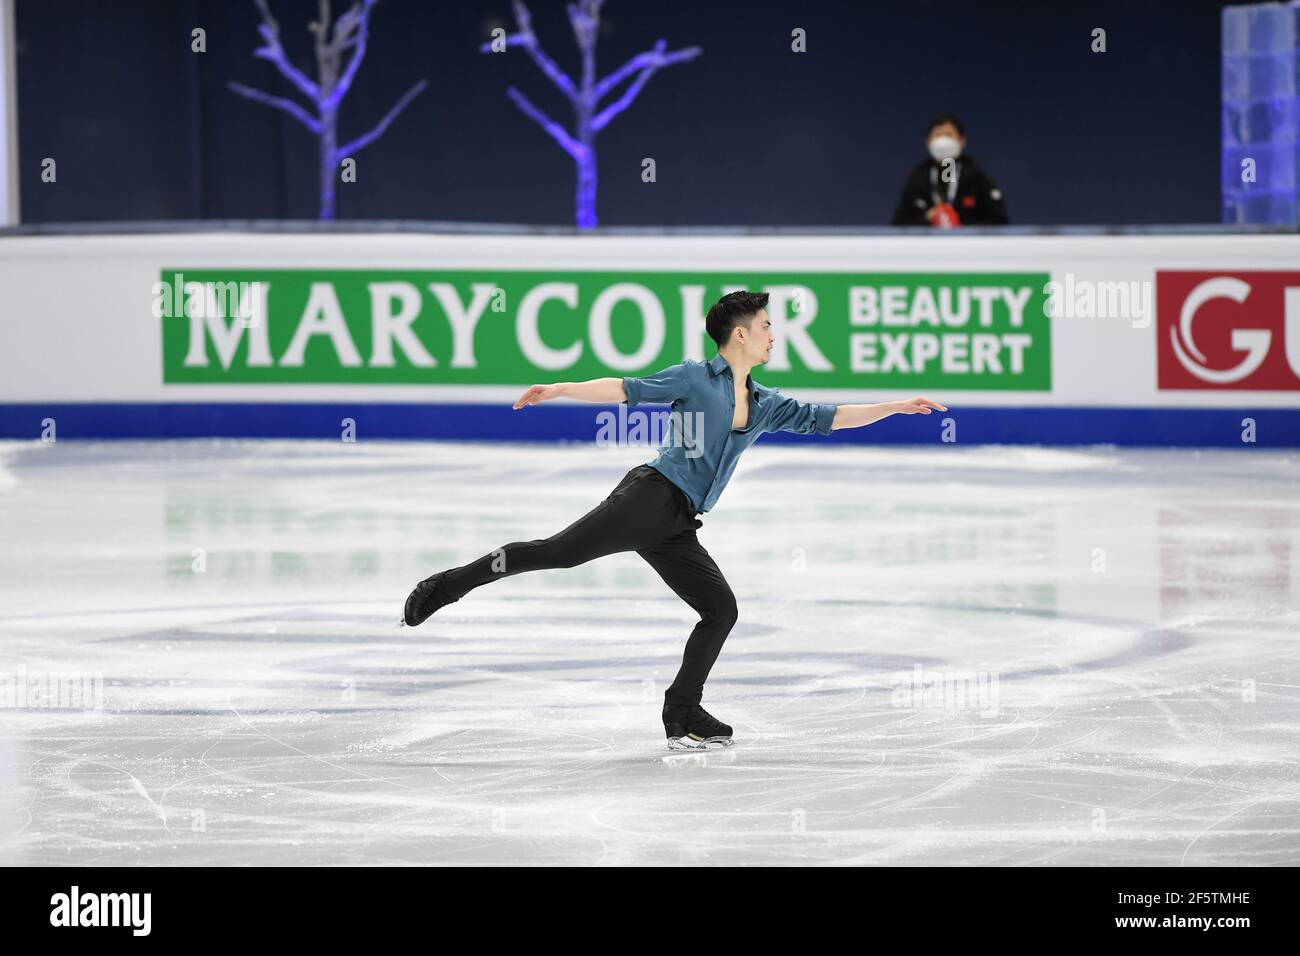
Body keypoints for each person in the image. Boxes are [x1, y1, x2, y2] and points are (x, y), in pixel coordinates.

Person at [400, 291, 946, 750]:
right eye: (765, 327)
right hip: (649, 496)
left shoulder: (764, 402)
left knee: (720, 609)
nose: (772, 336)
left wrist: (894, 406)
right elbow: (625, 389)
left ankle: (682, 710)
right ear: (738, 336)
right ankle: (444, 586)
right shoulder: (694, 377)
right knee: (556, 552)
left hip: (678, 521)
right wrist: (561, 389)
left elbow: (830, 418)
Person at [891, 112, 1009, 227]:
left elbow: (999, 220)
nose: (943, 141)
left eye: (949, 134)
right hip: (928, 245)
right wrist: (927, 217)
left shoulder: (977, 177)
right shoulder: (917, 179)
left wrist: (961, 225)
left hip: (968, 244)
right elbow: (898, 225)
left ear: (962, 141)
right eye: (938, 135)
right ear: (928, 142)